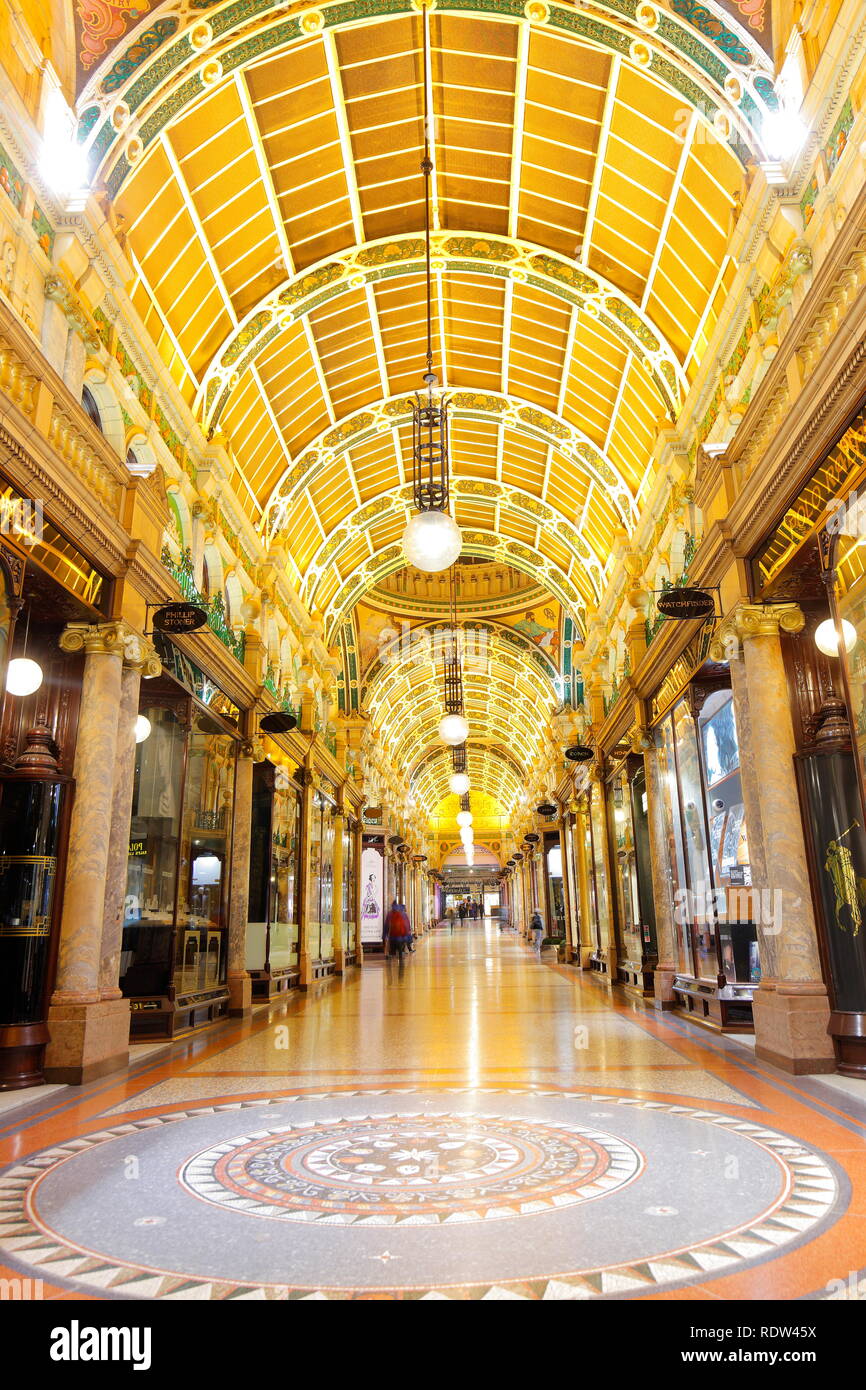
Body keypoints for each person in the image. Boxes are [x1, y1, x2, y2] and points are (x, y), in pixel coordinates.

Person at [385, 899, 411, 964]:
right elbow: (407, 925)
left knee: (392, 951)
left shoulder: (390, 913)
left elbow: (386, 925)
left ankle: (390, 959)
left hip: (393, 936)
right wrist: (408, 935)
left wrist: (384, 935)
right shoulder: (403, 914)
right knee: (400, 950)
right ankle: (401, 961)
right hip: (401, 936)